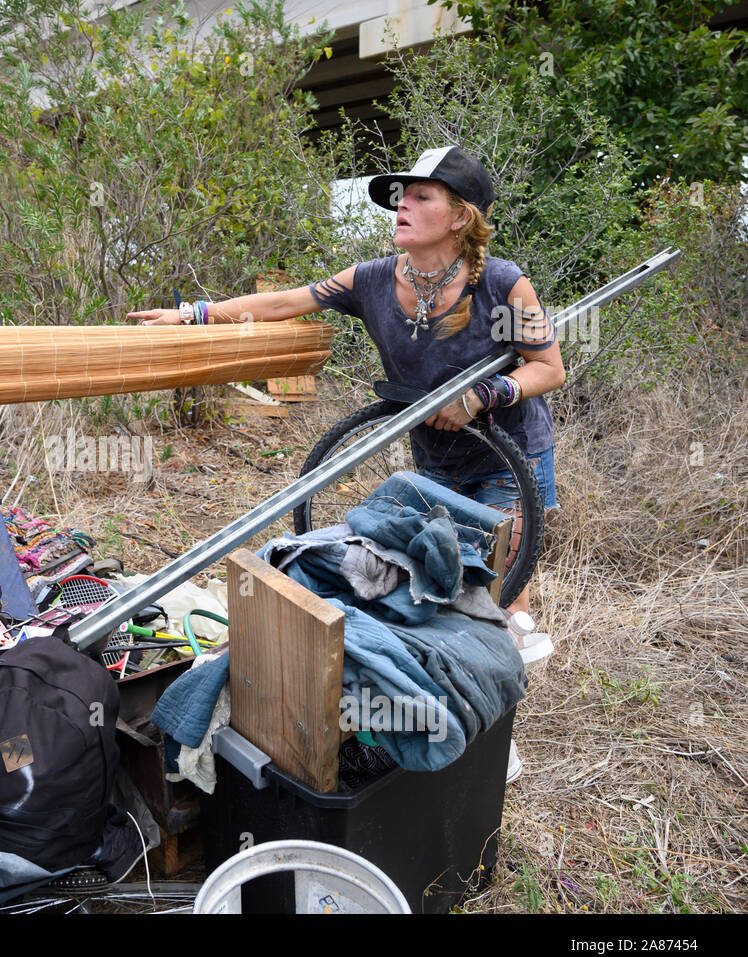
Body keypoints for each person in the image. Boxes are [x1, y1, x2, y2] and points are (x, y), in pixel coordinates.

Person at [128, 146, 563, 779]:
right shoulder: (374, 281)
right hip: (434, 459)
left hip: (508, 454)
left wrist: (481, 396)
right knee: (440, 592)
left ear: (461, 216)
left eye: (422, 196)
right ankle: (464, 714)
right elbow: (283, 303)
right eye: (401, 195)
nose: (403, 205)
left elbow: (548, 366)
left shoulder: (500, 283)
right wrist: (195, 315)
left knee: (489, 599)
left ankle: (489, 745)